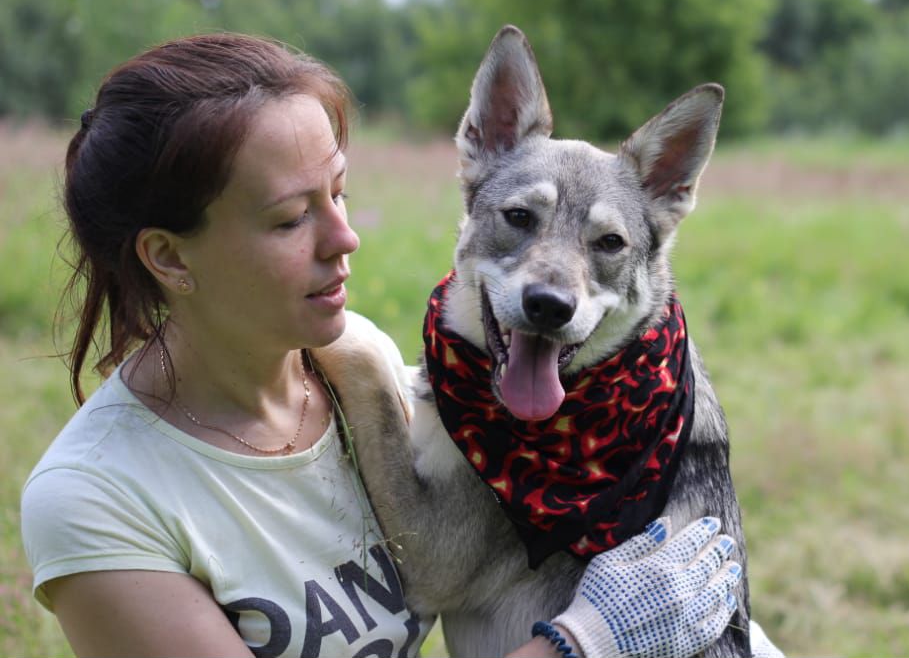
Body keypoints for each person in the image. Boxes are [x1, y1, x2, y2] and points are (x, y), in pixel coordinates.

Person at [21, 33, 777, 658]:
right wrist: (581, 643)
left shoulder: (389, 368)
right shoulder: (97, 500)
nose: (347, 237)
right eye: (290, 218)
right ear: (170, 256)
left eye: (340, 192)